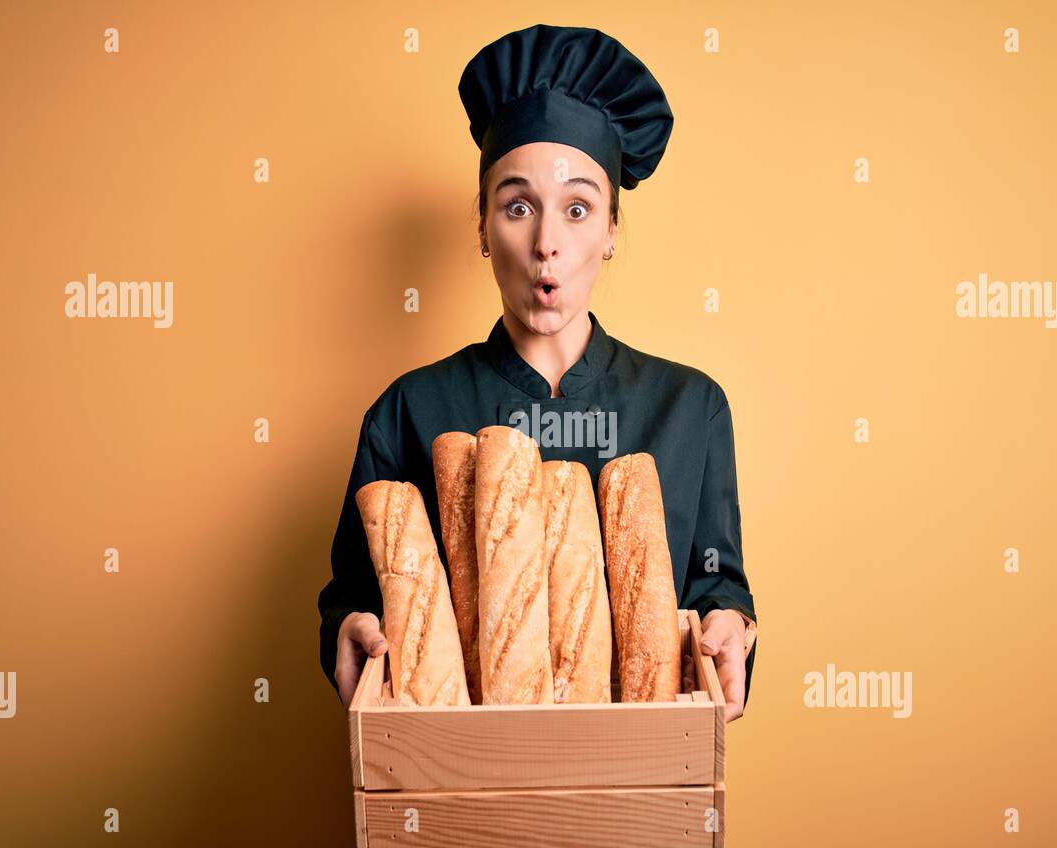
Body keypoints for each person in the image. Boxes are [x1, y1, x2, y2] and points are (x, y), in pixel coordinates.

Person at [318, 24, 758, 720]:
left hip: (642, 794)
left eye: (578, 209)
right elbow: (355, 596)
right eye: (517, 206)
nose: (547, 244)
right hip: (453, 794)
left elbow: (715, 589)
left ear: (611, 231)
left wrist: (731, 625)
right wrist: (349, 630)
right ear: (483, 228)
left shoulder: (691, 406)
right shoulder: (409, 409)